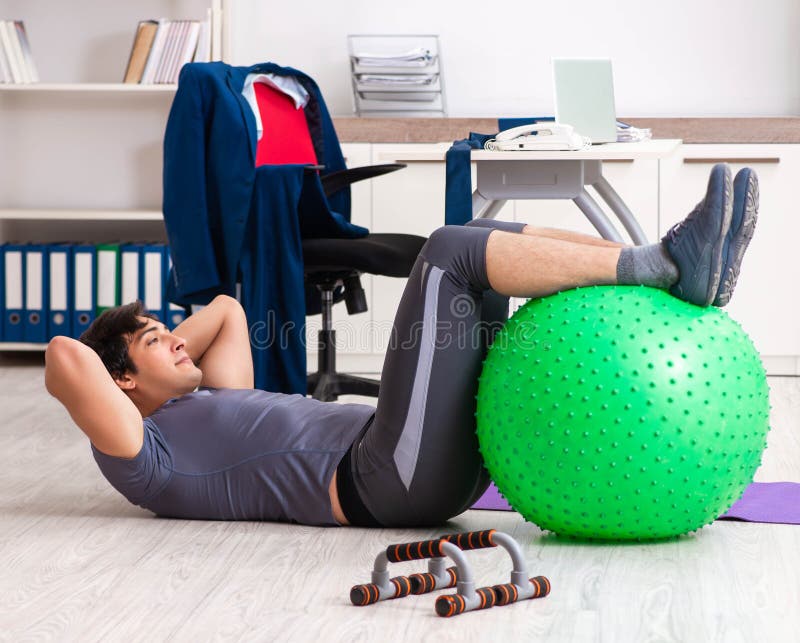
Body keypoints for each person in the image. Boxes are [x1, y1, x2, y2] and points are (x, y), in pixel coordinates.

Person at [44, 164, 758, 528]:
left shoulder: (214, 398)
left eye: (169, 333)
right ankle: (660, 267)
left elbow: (227, 310)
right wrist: (132, 361)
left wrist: (158, 348)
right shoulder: (146, 458)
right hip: (386, 478)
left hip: (418, 457)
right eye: (154, 342)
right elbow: (63, 357)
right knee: (449, 250)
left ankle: (659, 259)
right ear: (122, 382)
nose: (175, 339)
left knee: (479, 257)